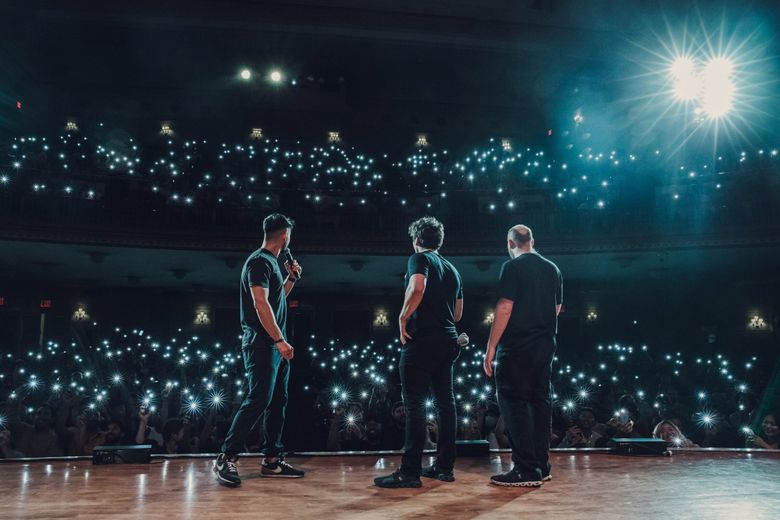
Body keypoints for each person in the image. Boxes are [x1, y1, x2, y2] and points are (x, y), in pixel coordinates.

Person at [214, 213, 305, 487]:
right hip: (262, 344)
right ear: (285, 235)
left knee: (277, 402)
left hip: (275, 345)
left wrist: (291, 280)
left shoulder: (272, 264)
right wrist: (279, 339)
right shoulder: (259, 262)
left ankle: (272, 460)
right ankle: (227, 456)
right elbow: (260, 304)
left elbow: (275, 301)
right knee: (259, 399)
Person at [375, 217, 464, 488]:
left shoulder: (419, 259)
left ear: (415, 240)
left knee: (415, 406)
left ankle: (410, 472)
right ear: (440, 241)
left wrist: (402, 317)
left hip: (422, 341)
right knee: (445, 405)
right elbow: (457, 314)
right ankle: (444, 467)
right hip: (448, 341)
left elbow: (417, 287)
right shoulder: (453, 269)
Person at [483, 225, 562, 487]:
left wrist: (491, 347)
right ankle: (541, 465)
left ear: (510, 243)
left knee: (512, 402)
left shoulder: (512, 267)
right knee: (540, 403)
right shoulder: (553, 268)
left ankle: (526, 469)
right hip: (545, 345)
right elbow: (557, 307)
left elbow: (505, 307)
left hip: (517, 346)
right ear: (532, 241)